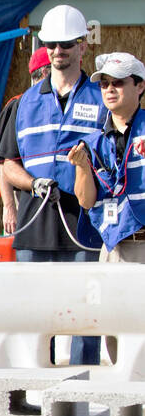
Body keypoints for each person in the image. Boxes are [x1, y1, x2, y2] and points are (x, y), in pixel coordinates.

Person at [0, 4, 104, 366]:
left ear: (83, 46)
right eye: (53, 45)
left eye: (67, 45)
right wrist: (33, 182)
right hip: (35, 223)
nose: (59, 51)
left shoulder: (101, 98)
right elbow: (7, 164)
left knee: (85, 318)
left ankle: (82, 394)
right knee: (36, 319)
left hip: (84, 224)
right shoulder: (24, 103)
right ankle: (35, 391)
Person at [71, 52, 145, 262]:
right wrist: (83, 167)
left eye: (118, 82)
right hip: (114, 248)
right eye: (104, 84)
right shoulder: (92, 143)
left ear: (140, 87)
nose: (110, 89)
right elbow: (86, 202)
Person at [0, 47, 51, 234]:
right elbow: (1, 161)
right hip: (23, 199)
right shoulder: (18, 105)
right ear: (45, 72)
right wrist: (9, 207)